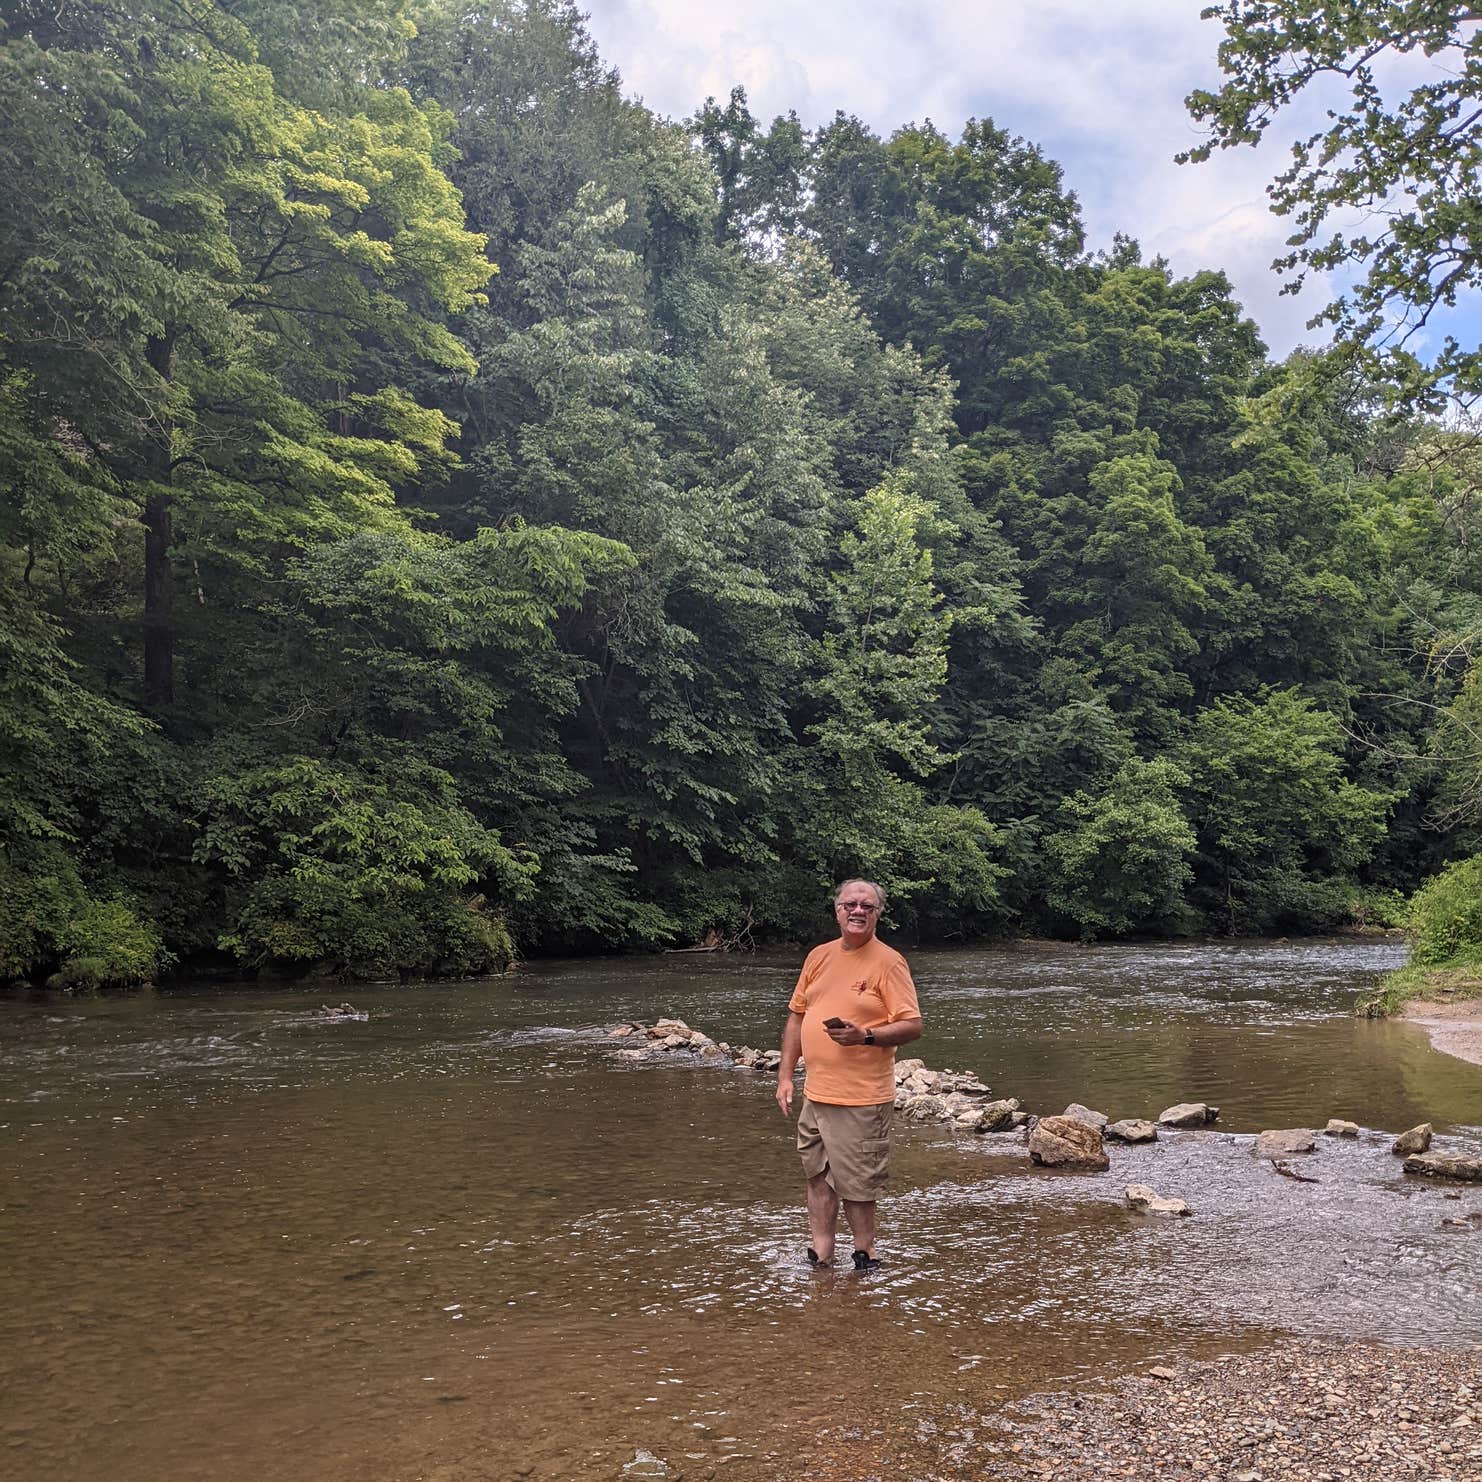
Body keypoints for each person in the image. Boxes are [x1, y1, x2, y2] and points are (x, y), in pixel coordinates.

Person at [774, 878, 923, 1270]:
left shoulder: (889, 962)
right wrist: (785, 1076)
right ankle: (821, 1253)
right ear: (837, 910)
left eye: (867, 906)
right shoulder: (818, 956)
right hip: (816, 1093)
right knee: (817, 1174)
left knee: (857, 1184)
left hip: (862, 1096)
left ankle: (865, 1255)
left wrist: (866, 1036)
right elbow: (797, 1018)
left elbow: (912, 1025)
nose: (858, 911)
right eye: (850, 905)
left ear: (878, 914)